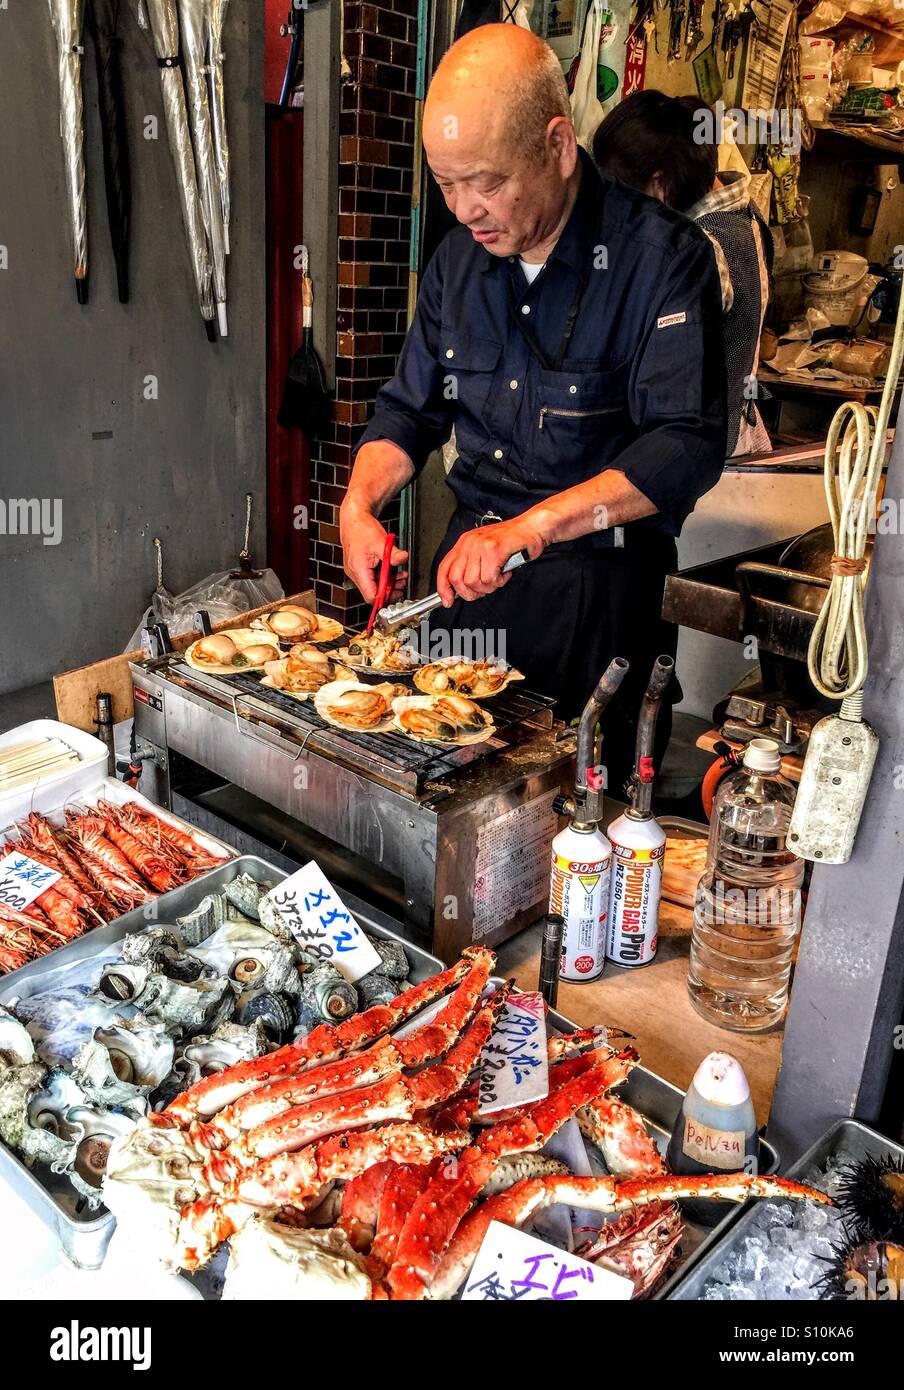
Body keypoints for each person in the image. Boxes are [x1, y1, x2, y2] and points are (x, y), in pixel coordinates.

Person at [340, 26, 726, 791]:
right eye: (445, 184)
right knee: (448, 802)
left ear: (556, 144)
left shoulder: (662, 259)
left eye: (484, 181)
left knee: (575, 829)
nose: (463, 210)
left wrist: (534, 527)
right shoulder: (458, 262)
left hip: (598, 605)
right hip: (470, 590)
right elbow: (408, 411)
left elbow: (684, 445)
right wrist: (359, 502)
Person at [593, 90, 773, 457]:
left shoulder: (701, 247)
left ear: (659, 185)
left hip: (702, 461)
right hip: (737, 434)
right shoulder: (747, 214)